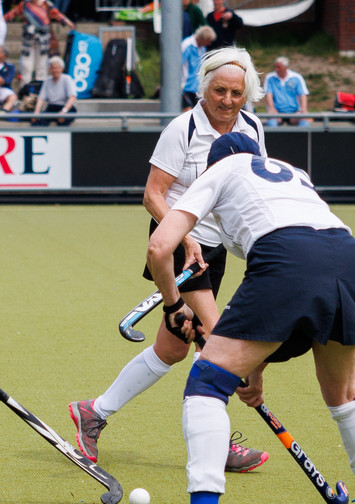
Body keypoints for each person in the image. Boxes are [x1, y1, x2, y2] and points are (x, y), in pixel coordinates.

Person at [136, 134, 355, 504]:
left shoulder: (220, 170)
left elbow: (159, 246)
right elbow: (276, 316)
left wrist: (173, 308)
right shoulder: (292, 174)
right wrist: (251, 370)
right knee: (345, 393)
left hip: (287, 257)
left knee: (205, 383)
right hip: (346, 256)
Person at [69, 47, 271, 473]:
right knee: (218, 341)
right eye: (219, 90)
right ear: (205, 87)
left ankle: (93, 412)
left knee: (173, 348)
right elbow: (152, 194)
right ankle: (216, 446)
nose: (228, 100)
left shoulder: (252, 127)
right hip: (177, 239)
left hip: (216, 248)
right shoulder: (182, 128)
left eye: (237, 92)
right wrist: (186, 236)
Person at [6, 0, 72, 84]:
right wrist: (2, 19)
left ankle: (40, 88)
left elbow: (56, 14)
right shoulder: (25, 3)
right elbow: (13, 13)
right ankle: (25, 87)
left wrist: (66, 21)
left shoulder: (46, 3)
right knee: (26, 64)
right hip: (28, 37)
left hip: (43, 38)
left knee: (42, 64)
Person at [262, 56, 310, 126]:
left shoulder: (296, 77)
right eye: (275, 67)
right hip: (277, 111)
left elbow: (303, 94)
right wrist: (272, 108)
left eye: (279, 67)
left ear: (286, 67)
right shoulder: (270, 77)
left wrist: (304, 109)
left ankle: (304, 136)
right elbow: (268, 94)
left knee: (304, 120)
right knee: (272, 122)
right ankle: (272, 136)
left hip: (295, 111)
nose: (276, 69)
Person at [31, 56, 77, 126]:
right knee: (37, 122)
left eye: (57, 68)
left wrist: (64, 111)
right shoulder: (47, 81)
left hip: (65, 107)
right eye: (52, 68)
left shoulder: (67, 79)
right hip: (52, 107)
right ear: (49, 69)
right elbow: (41, 98)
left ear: (61, 69)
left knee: (63, 121)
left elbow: (72, 97)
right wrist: (36, 112)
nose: (54, 70)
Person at [181, 26, 215, 109]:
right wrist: (181, 84)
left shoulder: (202, 47)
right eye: (208, 41)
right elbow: (180, 65)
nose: (209, 44)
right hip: (186, 85)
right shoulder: (187, 45)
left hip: (196, 86)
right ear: (202, 39)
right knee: (188, 110)